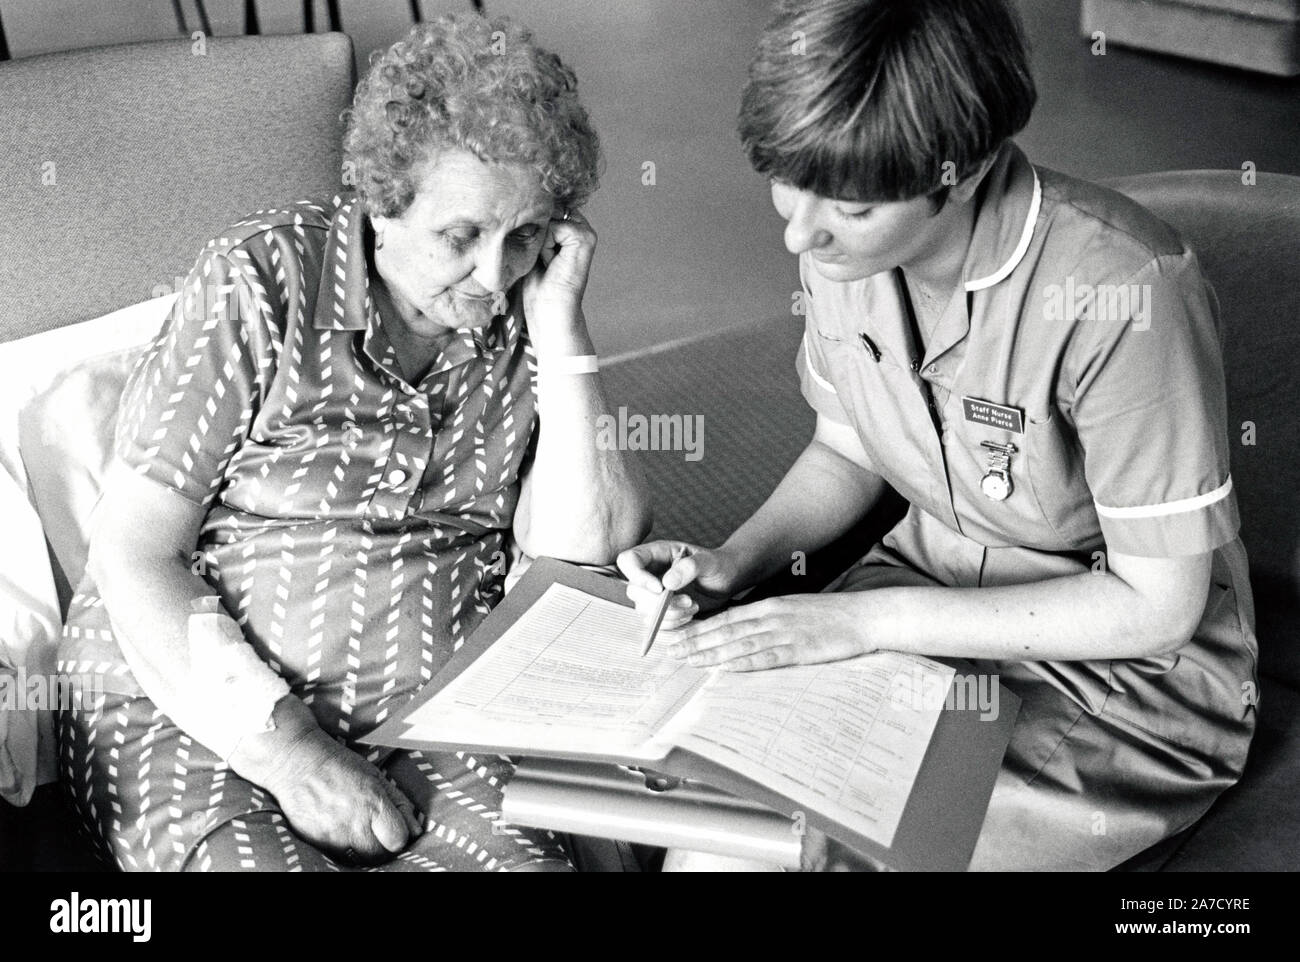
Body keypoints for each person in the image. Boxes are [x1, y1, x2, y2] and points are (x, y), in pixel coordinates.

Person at [619, 0, 1257, 871]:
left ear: (963, 171)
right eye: (787, 181)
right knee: (712, 820)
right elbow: (846, 449)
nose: (798, 231)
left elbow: (1159, 606)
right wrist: (737, 560)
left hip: (1116, 671)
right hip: (916, 604)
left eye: (845, 206)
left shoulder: (1125, 295)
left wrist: (864, 625)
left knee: (838, 850)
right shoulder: (846, 243)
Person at [57, 14, 649, 872]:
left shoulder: (526, 306)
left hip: (442, 713)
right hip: (200, 711)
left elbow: (585, 554)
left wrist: (563, 334)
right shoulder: (260, 282)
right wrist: (289, 750)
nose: (495, 275)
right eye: (461, 237)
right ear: (382, 200)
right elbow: (135, 553)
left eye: (525, 235)